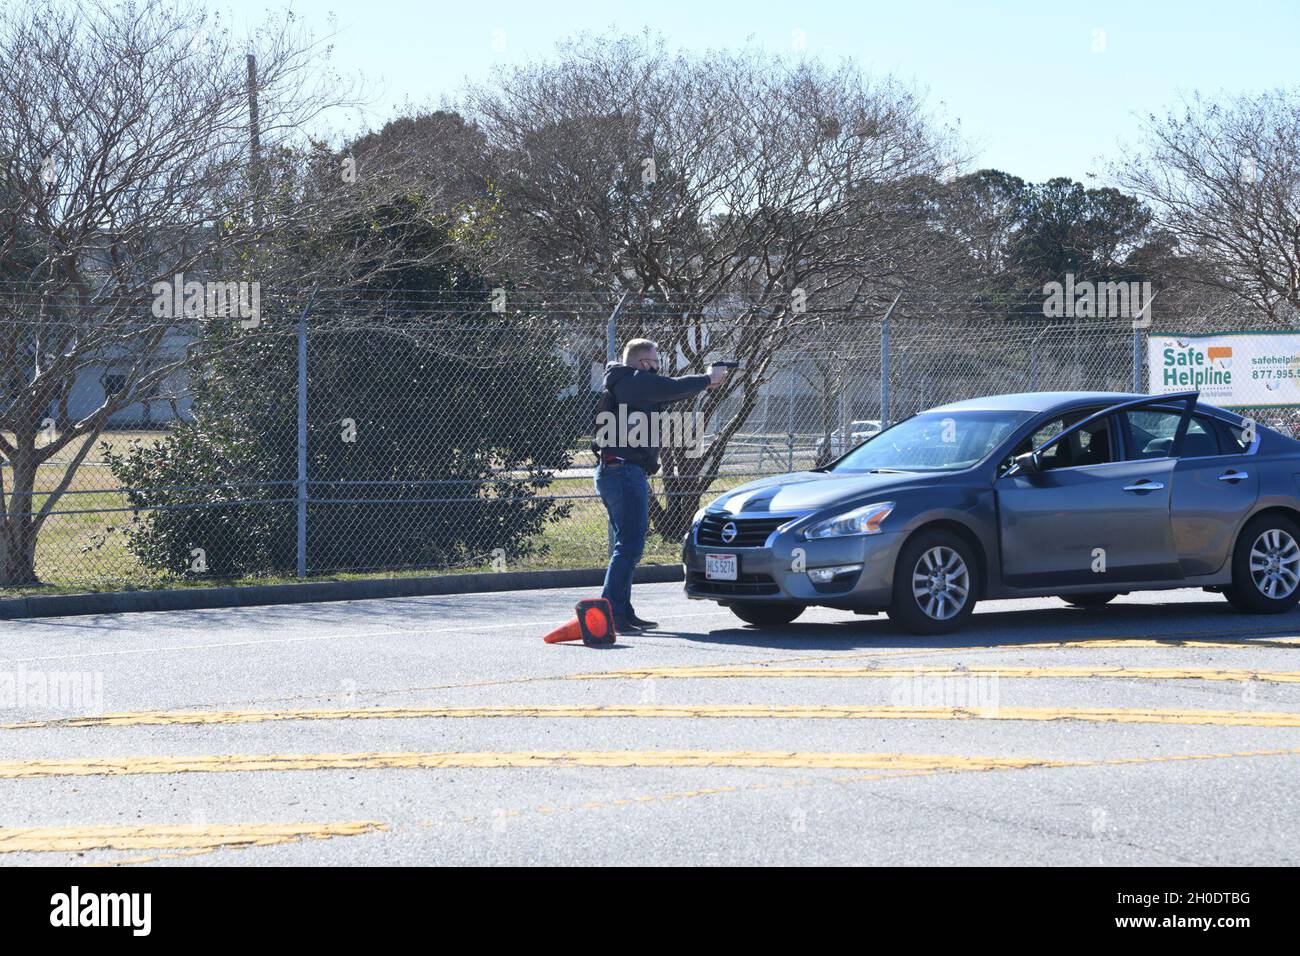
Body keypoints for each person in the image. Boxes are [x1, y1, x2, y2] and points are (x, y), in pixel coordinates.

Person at [594, 339, 728, 633]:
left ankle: (622, 611)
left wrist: (705, 383)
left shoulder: (632, 385)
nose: (659, 365)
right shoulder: (632, 381)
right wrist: (708, 378)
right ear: (644, 363)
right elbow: (671, 386)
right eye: (656, 360)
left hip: (622, 472)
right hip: (622, 473)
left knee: (627, 546)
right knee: (629, 546)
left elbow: (670, 393)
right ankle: (611, 613)